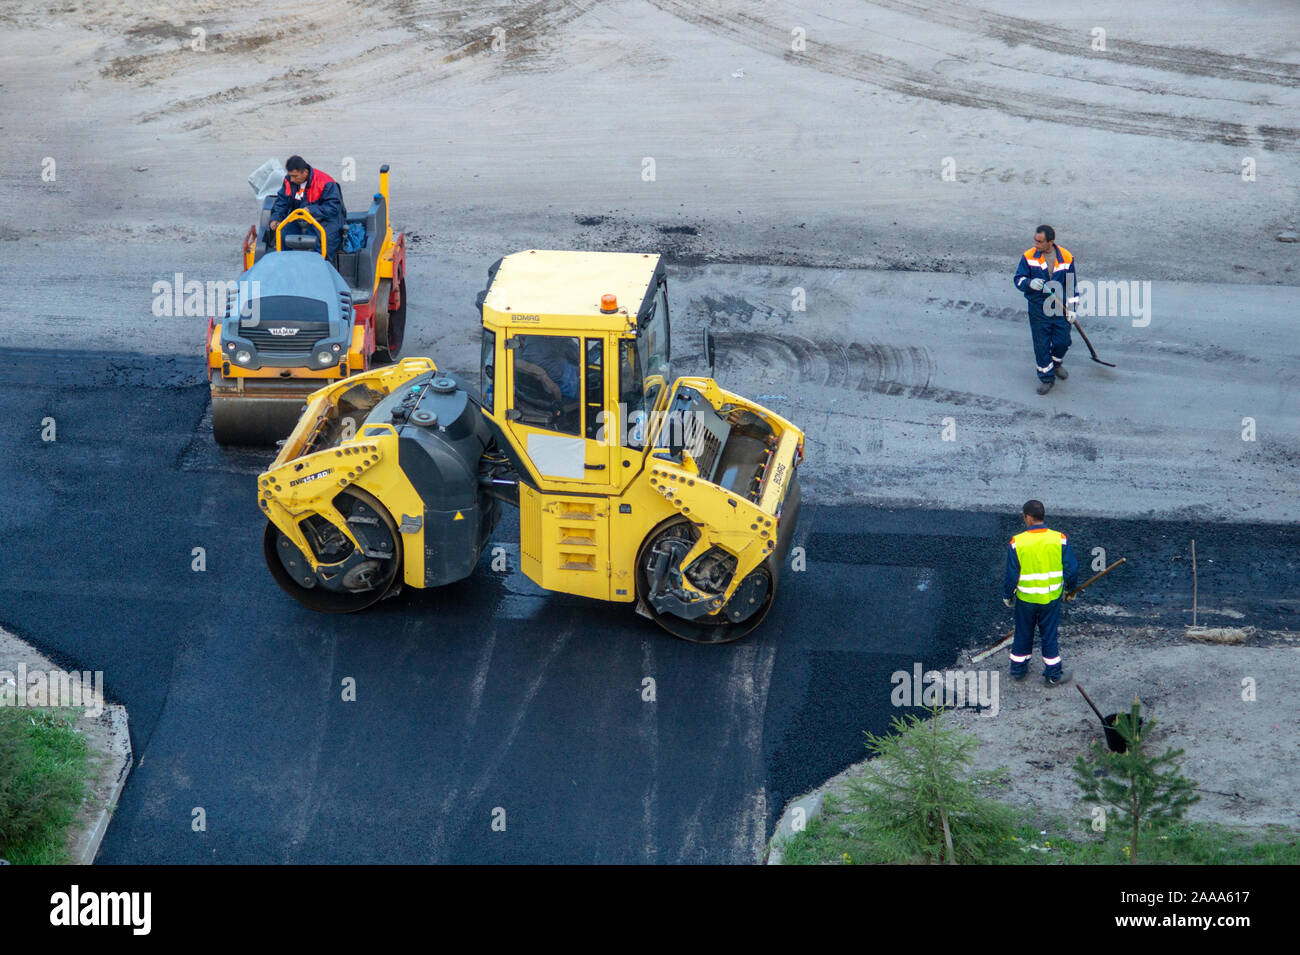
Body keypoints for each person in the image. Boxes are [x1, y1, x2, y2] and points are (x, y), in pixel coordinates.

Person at [1002, 499, 1079, 685]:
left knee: (1023, 632)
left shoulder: (1017, 542)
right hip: (1050, 598)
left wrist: (1008, 595)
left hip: (1026, 599)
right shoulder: (1059, 539)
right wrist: (1070, 589)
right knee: (1049, 634)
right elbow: (1072, 568)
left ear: (1027, 517)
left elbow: (1012, 574)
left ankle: (1018, 670)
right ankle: (1053, 675)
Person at [1013, 225, 1078, 395]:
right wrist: (1029, 284)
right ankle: (1046, 378)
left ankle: (1056, 363)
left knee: (1062, 341)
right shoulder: (1028, 257)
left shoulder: (1066, 257)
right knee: (1041, 344)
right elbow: (1018, 279)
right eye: (1035, 240)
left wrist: (1072, 309)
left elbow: (1071, 285)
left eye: (1040, 241)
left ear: (1051, 242)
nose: (1036, 244)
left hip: (1059, 308)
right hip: (1038, 308)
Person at [267, 156, 346, 263]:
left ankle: (319, 268)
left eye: (295, 176)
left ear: (305, 172)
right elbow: (282, 202)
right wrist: (276, 217)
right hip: (299, 217)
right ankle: (287, 266)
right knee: (283, 235)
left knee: (322, 243)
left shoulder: (325, 182)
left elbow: (333, 208)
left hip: (325, 218)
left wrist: (311, 210)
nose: (292, 179)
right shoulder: (288, 181)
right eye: (290, 176)